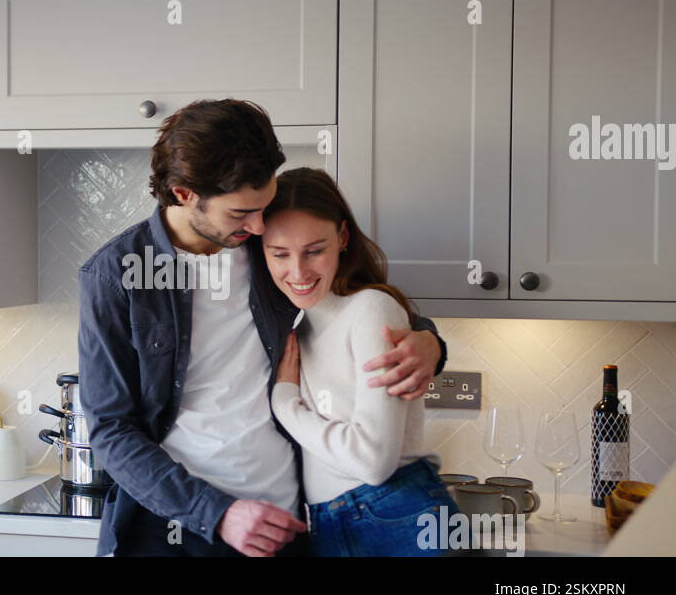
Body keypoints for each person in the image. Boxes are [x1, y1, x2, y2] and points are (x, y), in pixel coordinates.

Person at [78, 99, 448, 557]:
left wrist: (429, 341)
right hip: (175, 530)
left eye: (264, 206)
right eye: (239, 214)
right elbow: (111, 429)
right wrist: (218, 513)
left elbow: (353, 300)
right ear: (183, 193)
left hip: (288, 525)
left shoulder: (266, 245)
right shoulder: (116, 275)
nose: (257, 226)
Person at [264, 167, 459, 557]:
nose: (298, 272)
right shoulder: (296, 324)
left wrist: (285, 403)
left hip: (396, 515)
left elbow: (372, 462)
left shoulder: (371, 309)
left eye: (314, 250)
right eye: (280, 254)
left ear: (343, 238)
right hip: (331, 522)